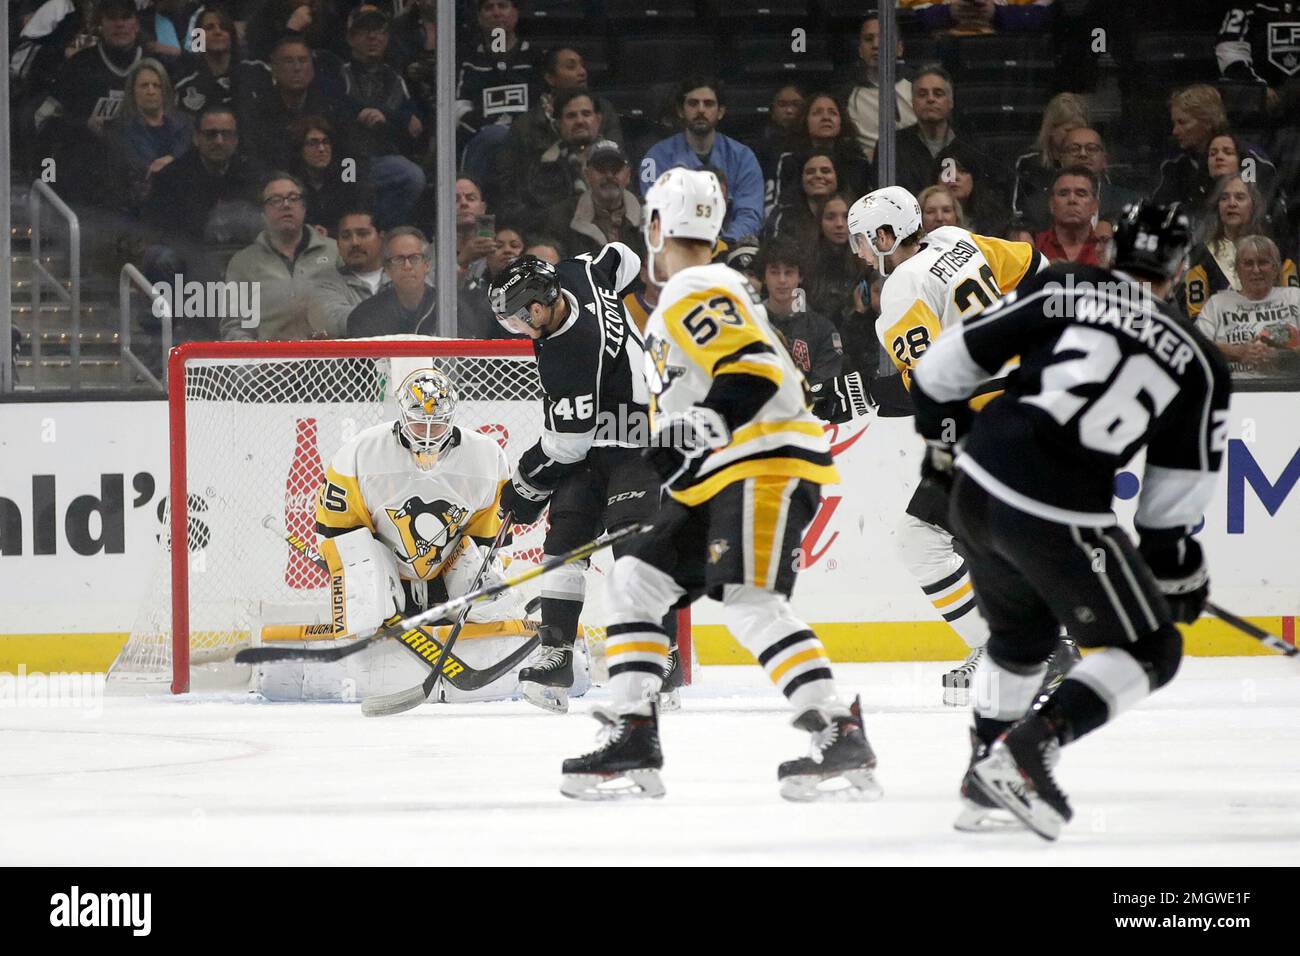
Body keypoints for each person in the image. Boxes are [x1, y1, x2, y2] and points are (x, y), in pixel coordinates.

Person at [910, 202, 1233, 840]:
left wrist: (946, 455)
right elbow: (1169, 509)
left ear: (1112, 252)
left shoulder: (1066, 289)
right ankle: (1031, 753)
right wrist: (1178, 577)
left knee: (1020, 642)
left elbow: (940, 371)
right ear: (1178, 266)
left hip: (974, 490)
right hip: (1056, 509)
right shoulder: (1201, 363)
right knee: (1153, 647)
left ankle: (985, 779)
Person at [559, 168, 878, 802]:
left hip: (761, 464)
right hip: (719, 475)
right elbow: (706, 404)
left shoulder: (695, 286)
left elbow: (754, 372)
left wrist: (704, 423)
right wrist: (667, 470)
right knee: (635, 580)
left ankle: (839, 732)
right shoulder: (703, 289)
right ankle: (633, 734)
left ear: (654, 226)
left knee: (750, 599)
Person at [846, 184, 1076, 709]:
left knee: (919, 540)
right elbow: (1038, 266)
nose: (858, 251)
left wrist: (858, 394)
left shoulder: (901, 289)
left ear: (885, 236)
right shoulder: (956, 240)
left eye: (862, 240)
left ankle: (1023, 653)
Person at [488, 247, 677, 714]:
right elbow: (623, 257)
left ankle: (662, 658)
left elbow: (564, 445)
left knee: (633, 547)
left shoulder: (569, 352)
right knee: (564, 541)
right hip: (595, 446)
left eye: (517, 321)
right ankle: (557, 656)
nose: (517, 332)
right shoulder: (579, 270)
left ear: (537, 308)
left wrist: (524, 487)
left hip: (637, 444)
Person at [303, 367, 546, 704]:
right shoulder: (361, 452)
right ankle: (383, 612)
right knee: (364, 608)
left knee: (491, 607)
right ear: (402, 416)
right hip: (387, 563)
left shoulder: (486, 455)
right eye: (419, 422)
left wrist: (481, 580)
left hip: (446, 565)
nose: (429, 433)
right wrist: (355, 577)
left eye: (438, 423)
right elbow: (336, 528)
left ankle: (442, 606)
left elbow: (493, 538)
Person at [638, 76, 764, 243]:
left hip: (730, 247)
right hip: (676, 247)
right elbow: (653, 211)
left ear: (720, 112)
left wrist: (723, 244)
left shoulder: (744, 157)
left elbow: (750, 214)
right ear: (680, 111)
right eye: (693, 103)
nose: (701, 110)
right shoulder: (654, 158)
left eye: (709, 104)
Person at [337, 5, 426, 228]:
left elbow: (413, 124)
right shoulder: (340, 72)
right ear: (351, 38)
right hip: (347, 159)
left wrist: (384, 115)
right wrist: (362, 113)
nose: (373, 37)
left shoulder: (396, 78)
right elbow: (336, 110)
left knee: (413, 177)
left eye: (379, 31)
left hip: (385, 159)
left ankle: (382, 232)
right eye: (365, 30)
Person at [222, 173, 339, 341]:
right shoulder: (243, 263)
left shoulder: (334, 251)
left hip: (332, 362)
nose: (286, 205)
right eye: (275, 200)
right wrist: (256, 363)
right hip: (270, 365)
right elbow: (235, 326)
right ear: (262, 213)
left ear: (303, 207)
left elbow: (354, 310)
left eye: (293, 198)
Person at [1183, 174, 1298, 320]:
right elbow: (1197, 319)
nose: (1231, 203)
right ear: (1217, 206)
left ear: (1253, 205)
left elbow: (1295, 309)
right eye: (1224, 198)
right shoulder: (1201, 256)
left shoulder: (1279, 250)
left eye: (1240, 197)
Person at [1196, 235, 1300, 380]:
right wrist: (1238, 352)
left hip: (1289, 390)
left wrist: (1280, 357)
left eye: (1263, 262)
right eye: (1248, 263)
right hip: (1235, 391)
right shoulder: (1217, 304)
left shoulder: (1294, 298)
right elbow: (1196, 347)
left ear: (1276, 268)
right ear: (1237, 270)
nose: (1256, 270)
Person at [106, 58, 195, 210]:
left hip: (185, 201)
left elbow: (192, 159)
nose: (151, 91)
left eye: (156, 85)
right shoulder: (119, 127)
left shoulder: (186, 122)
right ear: (133, 91)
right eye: (144, 86)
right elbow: (139, 167)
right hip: (141, 205)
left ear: (164, 90)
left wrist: (171, 160)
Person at [761, 239, 843, 386]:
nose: (782, 280)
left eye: (789, 272)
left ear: (800, 276)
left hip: (806, 407)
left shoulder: (823, 330)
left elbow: (824, 386)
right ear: (764, 277)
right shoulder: (750, 322)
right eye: (774, 272)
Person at [544, 140, 644, 259]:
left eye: (615, 169)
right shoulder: (561, 217)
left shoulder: (650, 214)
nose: (609, 176)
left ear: (628, 175)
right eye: (601, 168)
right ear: (586, 175)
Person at [841, 14, 916, 163]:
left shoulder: (920, 87)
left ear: (899, 48)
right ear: (860, 50)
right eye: (868, 39)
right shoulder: (845, 94)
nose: (876, 45)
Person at [173, 6, 271, 116]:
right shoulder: (185, 86)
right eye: (209, 28)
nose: (218, 32)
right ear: (197, 39)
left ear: (231, 35)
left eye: (224, 27)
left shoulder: (258, 71)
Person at [1011, 92, 1089, 226]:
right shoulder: (1029, 163)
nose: (1074, 136)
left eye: (1080, 130)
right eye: (1068, 130)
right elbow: (1017, 211)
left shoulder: (1090, 162)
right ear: (1051, 129)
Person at [346, 227, 437, 337]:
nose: (407, 266)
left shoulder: (453, 308)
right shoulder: (365, 315)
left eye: (414, 258)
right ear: (387, 269)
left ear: (427, 265)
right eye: (398, 259)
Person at [290, 116, 365, 236]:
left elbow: (358, 218)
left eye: (325, 142)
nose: (321, 149)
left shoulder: (346, 176)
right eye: (313, 143)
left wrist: (329, 232)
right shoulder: (291, 183)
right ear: (300, 149)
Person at [316, 210, 387, 336]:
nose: (355, 242)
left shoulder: (403, 274)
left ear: (381, 238)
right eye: (346, 236)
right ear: (338, 244)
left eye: (363, 234)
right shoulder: (324, 283)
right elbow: (338, 323)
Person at [1035, 166, 1106, 265]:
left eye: (1081, 194)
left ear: (1095, 206)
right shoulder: (1033, 247)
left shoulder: (1107, 251)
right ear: (1051, 204)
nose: (1072, 200)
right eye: (1063, 194)